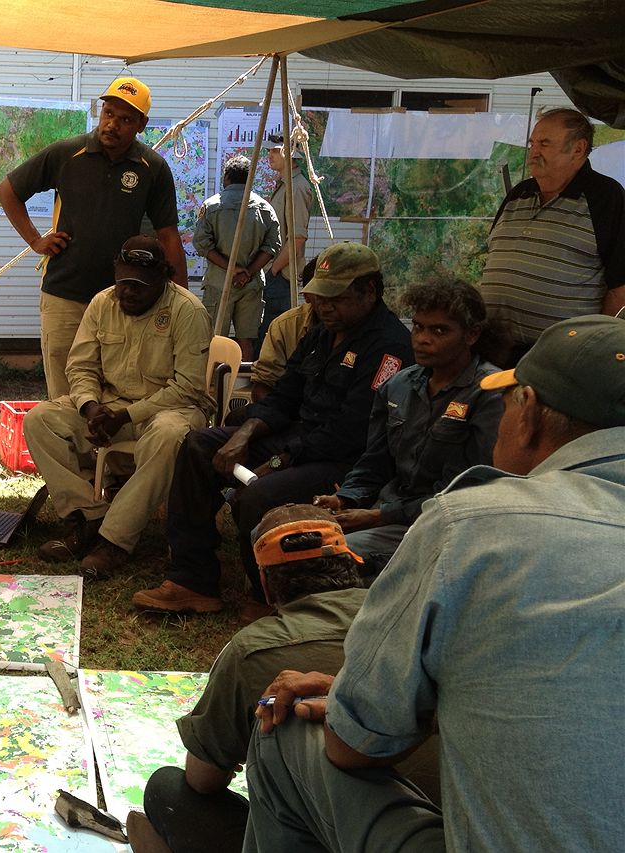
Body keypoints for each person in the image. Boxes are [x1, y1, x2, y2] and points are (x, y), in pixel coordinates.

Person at [244, 314, 625, 853]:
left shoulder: (471, 524)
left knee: (285, 728)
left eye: (508, 401)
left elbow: (353, 747)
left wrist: (392, 711)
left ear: (529, 412)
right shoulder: (402, 385)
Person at [134, 242, 411, 620]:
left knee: (257, 494)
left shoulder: (389, 346)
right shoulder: (322, 333)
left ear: (370, 292)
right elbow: (284, 395)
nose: (324, 307)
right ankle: (192, 579)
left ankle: (267, 593)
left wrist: (279, 461)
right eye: (319, 298)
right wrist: (245, 433)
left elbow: (350, 433)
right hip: (299, 440)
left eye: (336, 299)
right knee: (199, 445)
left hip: (344, 463)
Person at [131, 505, 367, 853]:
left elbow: (202, 780)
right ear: (352, 563)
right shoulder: (414, 626)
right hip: (421, 830)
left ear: (266, 586)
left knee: (167, 789)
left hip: (324, 834)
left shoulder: (254, 651)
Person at [23, 236, 213, 577]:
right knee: (40, 420)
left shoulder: (188, 311)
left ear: (163, 278)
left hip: (171, 408)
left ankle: (115, 541)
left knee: (169, 436)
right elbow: (81, 367)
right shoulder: (102, 303)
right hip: (111, 406)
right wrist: (90, 408)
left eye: (140, 285)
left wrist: (126, 415)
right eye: (123, 282)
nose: (128, 292)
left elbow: (187, 387)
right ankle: (87, 519)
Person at [0, 76, 186, 399]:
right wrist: (35, 241)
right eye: (108, 113)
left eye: (125, 119)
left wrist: (180, 301)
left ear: (142, 124)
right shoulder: (68, 153)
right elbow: (8, 190)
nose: (112, 124)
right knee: (63, 395)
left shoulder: (152, 168)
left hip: (121, 300)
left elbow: (168, 236)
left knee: (114, 391)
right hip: (64, 295)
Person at [313, 280, 504, 573]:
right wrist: (344, 498)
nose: (422, 339)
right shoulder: (398, 385)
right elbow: (374, 462)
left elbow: (470, 490)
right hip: (386, 514)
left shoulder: (490, 392)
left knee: (320, 556)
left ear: (471, 334)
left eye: (439, 331)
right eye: (418, 327)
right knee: (284, 537)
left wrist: (379, 516)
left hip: (444, 524)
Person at [479, 107, 625, 365]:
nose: (534, 152)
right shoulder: (518, 194)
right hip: (494, 352)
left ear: (578, 149)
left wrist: (596, 353)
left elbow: (620, 289)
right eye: (532, 143)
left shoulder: (606, 198)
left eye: (544, 143)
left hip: (561, 361)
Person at [196, 155, 281, 361]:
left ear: (226, 177)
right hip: (251, 284)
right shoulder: (265, 208)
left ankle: (215, 379)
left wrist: (231, 268)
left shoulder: (211, 206)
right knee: (246, 340)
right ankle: (243, 379)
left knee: (215, 339)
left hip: (219, 284)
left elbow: (202, 244)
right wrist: (247, 272)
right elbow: (273, 246)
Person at [255, 133, 313, 355]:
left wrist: (274, 271)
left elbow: (297, 238)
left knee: (273, 341)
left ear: (290, 154)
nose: (269, 155)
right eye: (269, 150)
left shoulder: (297, 187)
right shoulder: (285, 184)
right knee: (266, 336)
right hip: (274, 273)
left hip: (281, 276)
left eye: (274, 150)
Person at [248, 258, 318, 404]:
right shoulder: (286, 326)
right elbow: (263, 385)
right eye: (321, 296)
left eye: (341, 296)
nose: (330, 304)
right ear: (307, 296)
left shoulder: (361, 330)